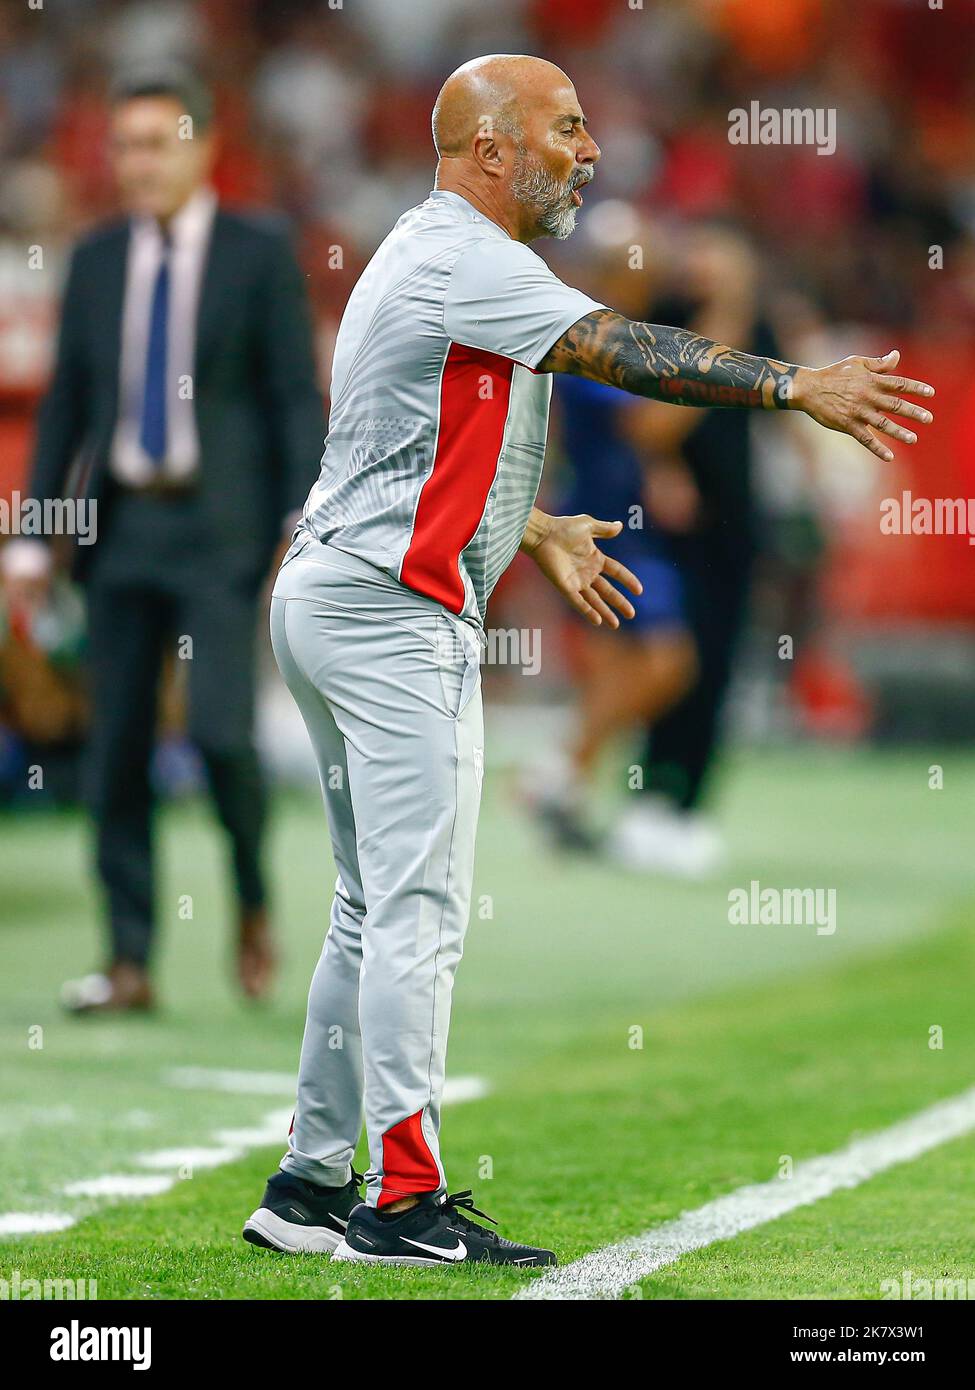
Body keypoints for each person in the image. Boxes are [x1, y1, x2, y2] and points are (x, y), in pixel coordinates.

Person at [242, 54, 934, 1267]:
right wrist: (794, 383)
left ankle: (306, 1184)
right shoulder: (474, 258)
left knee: (368, 909)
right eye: (565, 128)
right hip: (393, 613)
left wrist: (539, 527)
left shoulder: (418, 247)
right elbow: (624, 352)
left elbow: (407, 434)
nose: (590, 150)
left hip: (334, 592)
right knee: (418, 913)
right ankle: (399, 1204)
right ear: (494, 149)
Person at [1, 69, 324, 1012]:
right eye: (126, 145)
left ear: (204, 146)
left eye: (158, 142)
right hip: (121, 530)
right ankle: (130, 959)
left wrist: (302, 509)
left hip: (219, 530)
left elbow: (290, 395)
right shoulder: (96, 259)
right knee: (115, 747)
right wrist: (33, 532)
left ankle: (252, 900)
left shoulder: (259, 250)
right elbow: (67, 403)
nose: (138, 162)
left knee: (223, 734)